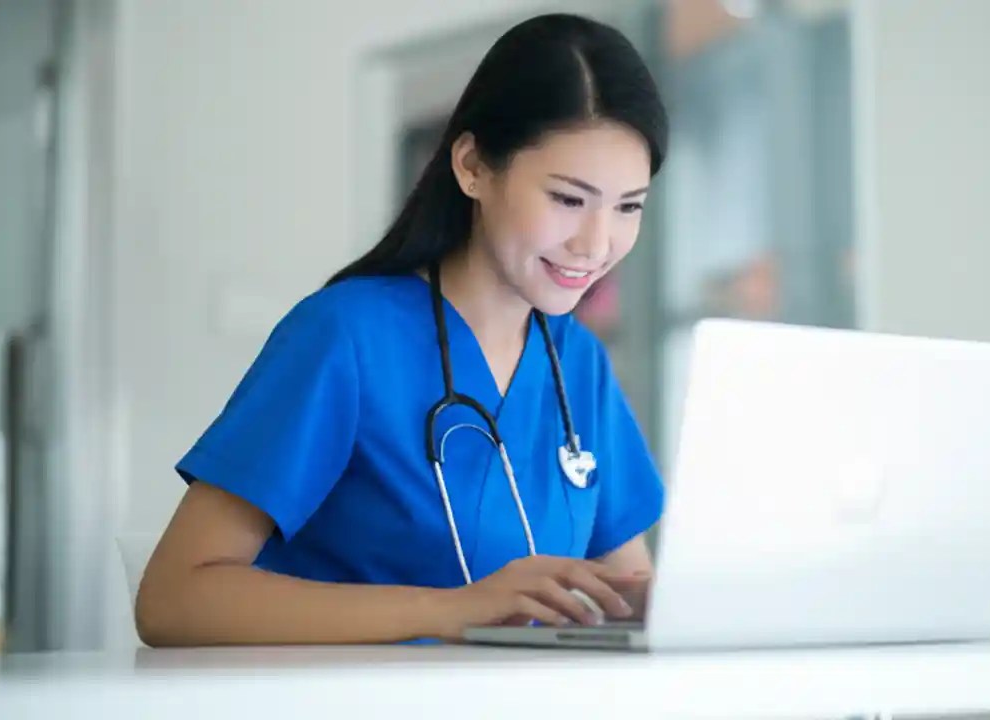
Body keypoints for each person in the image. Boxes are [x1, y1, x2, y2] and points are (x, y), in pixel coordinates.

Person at [135, 13, 669, 647]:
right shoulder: (346, 339)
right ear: (472, 166)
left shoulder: (575, 363)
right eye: (567, 199)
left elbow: (629, 591)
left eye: (628, 206)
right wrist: (453, 610)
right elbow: (172, 599)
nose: (597, 244)